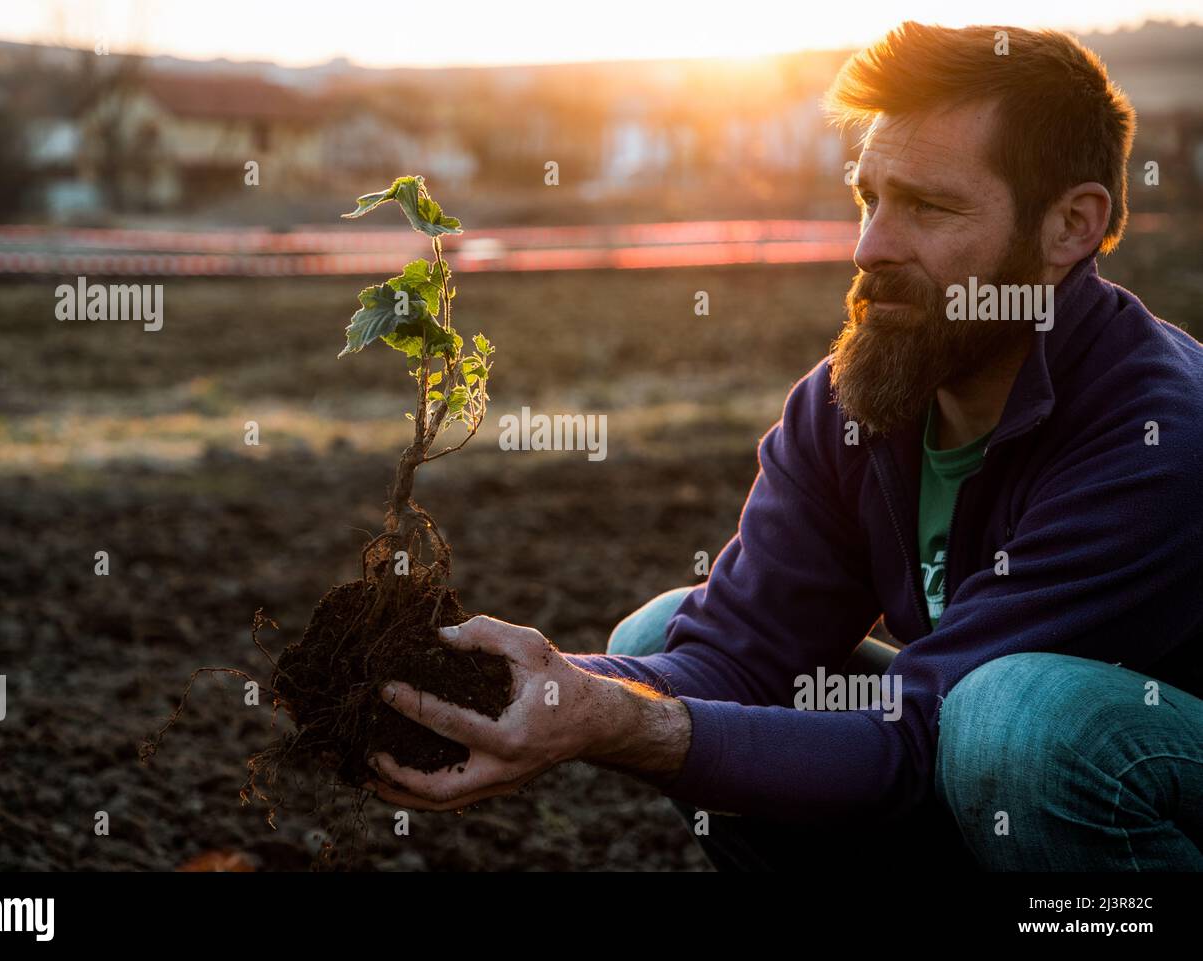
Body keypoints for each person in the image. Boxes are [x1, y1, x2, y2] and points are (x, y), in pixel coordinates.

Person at [362, 22, 1203, 871]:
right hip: (966, 746)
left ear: (1070, 226)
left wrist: (619, 721)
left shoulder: (1154, 432)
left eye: (929, 206)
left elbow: (925, 734)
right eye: (869, 199)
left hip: (1148, 775)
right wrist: (525, 683)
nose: (871, 246)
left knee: (1018, 721)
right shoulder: (857, 401)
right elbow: (734, 656)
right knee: (659, 641)